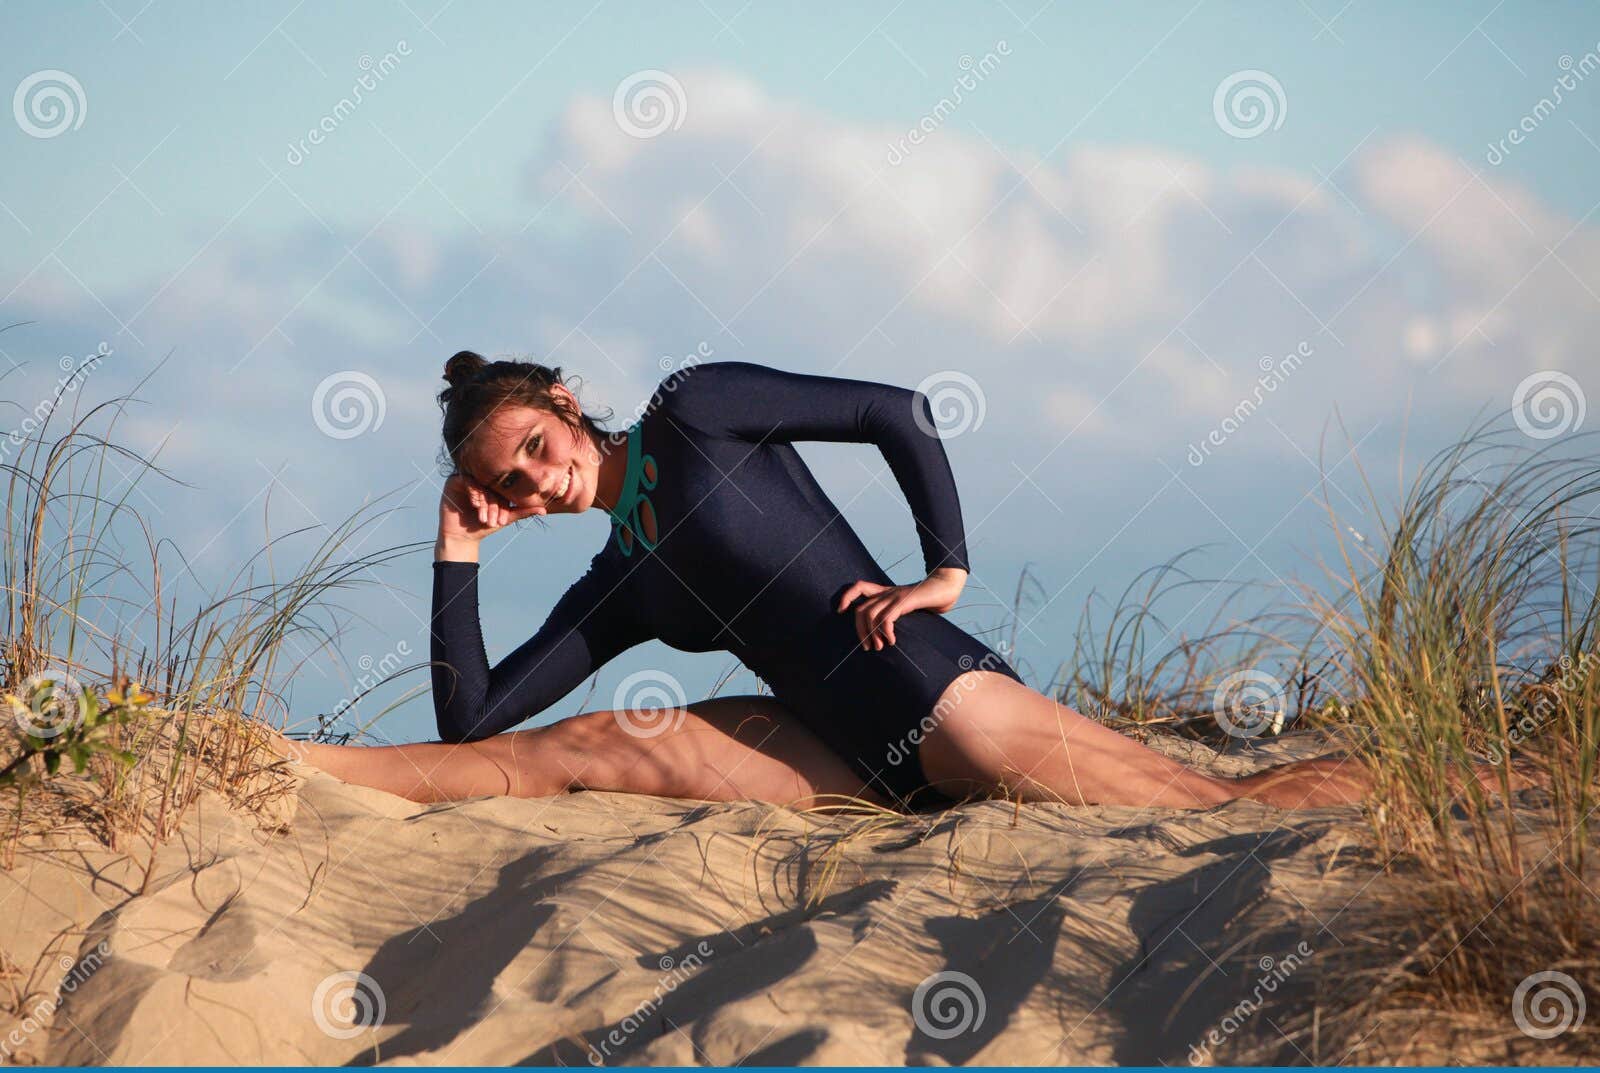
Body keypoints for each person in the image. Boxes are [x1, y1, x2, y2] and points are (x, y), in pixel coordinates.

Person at [272, 355, 1371, 811]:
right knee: (584, 742)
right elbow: (472, 718)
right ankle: (295, 763)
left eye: (526, 442)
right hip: (838, 753)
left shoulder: (692, 411)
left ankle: (1431, 787)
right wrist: (454, 548)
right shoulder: (623, 583)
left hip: (937, 698)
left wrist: (944, 568)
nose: (529, 474)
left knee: (1217, 809)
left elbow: (894, 412)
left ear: (563, 402)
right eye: (502, 479)